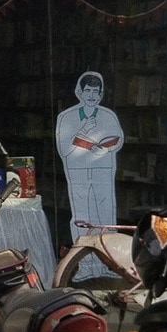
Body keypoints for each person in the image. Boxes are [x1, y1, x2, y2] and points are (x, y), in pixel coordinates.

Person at [56, 71, 125, 241]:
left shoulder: (108, 115)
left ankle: (106, 253)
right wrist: (84, 128)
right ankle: (82, 253)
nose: (92, 95)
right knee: (80, 215)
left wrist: (106, 149)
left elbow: (118, 139)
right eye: (88, 91)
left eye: (95, 91)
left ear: (101, 94)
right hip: (78, 170)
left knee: (105, 212)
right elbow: (64, 148)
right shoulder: (66, 117)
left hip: (103, 169)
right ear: (80, 92)